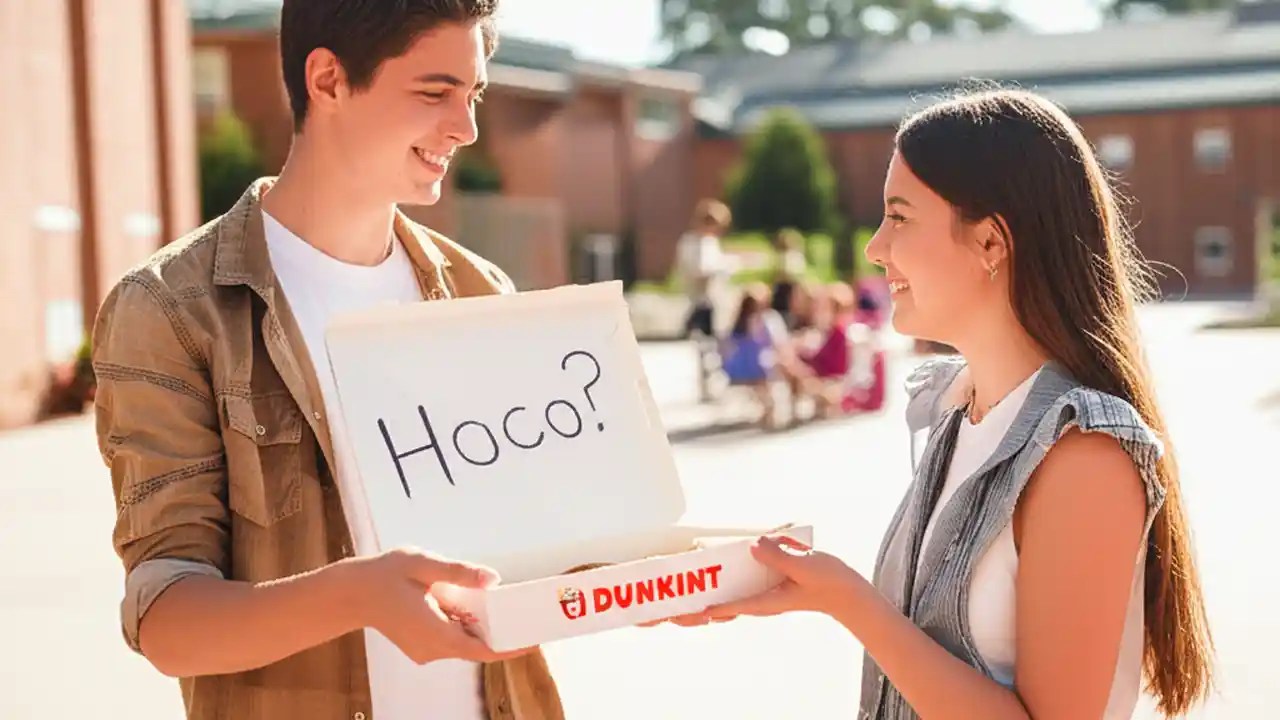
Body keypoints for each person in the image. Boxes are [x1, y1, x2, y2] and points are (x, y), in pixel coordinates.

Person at [664, 88, 1214, 719]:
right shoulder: (957, 408)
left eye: (898, 217)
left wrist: (847, 599)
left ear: (991, 243)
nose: (875, 248)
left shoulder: (1083, 454)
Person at [90, 2, 562, 719]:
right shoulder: (171, 310)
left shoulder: (480, 292)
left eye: (473, 95)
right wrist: (359, 594)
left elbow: (539, 543)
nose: (465, 128)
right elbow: (168, 623)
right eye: (435, 93)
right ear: (329, 79)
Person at [718, 284, 792, 427]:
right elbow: (729, 346)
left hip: (762, 362)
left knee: (766, 365)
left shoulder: (770, 319)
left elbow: (779, 342)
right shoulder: (741, 323)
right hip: (746, 364)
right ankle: (768, 409)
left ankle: (768, 410)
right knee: (762, 368)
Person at [676, 198, 734, 340]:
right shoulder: (692, 243)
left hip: (712, 300)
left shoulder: (710, 243)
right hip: (698, 300)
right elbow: (700, 270)